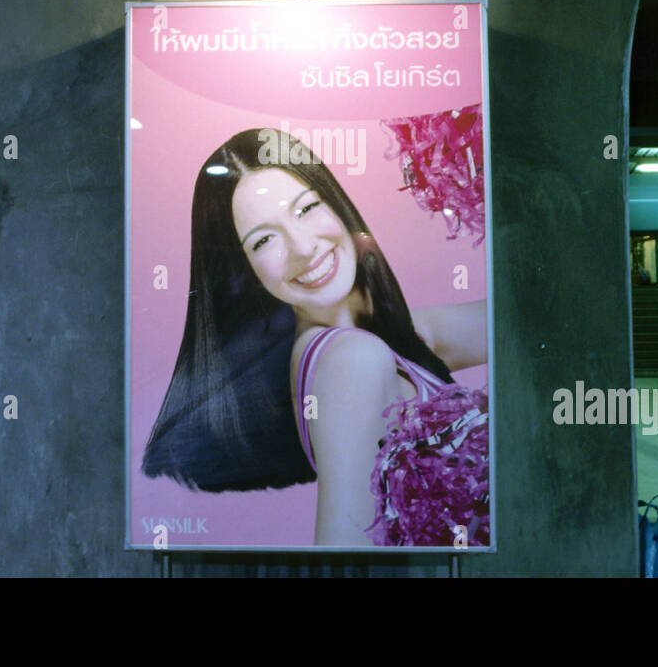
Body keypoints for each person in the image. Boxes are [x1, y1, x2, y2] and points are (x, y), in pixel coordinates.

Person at [142, 127, 488, 547]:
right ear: (244, 271)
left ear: (336, 203)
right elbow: (344, 555)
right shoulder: (351, 360)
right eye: (264, 240)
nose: (304, 248)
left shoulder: (383, 339)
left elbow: (512, 321)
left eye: (306, 209)